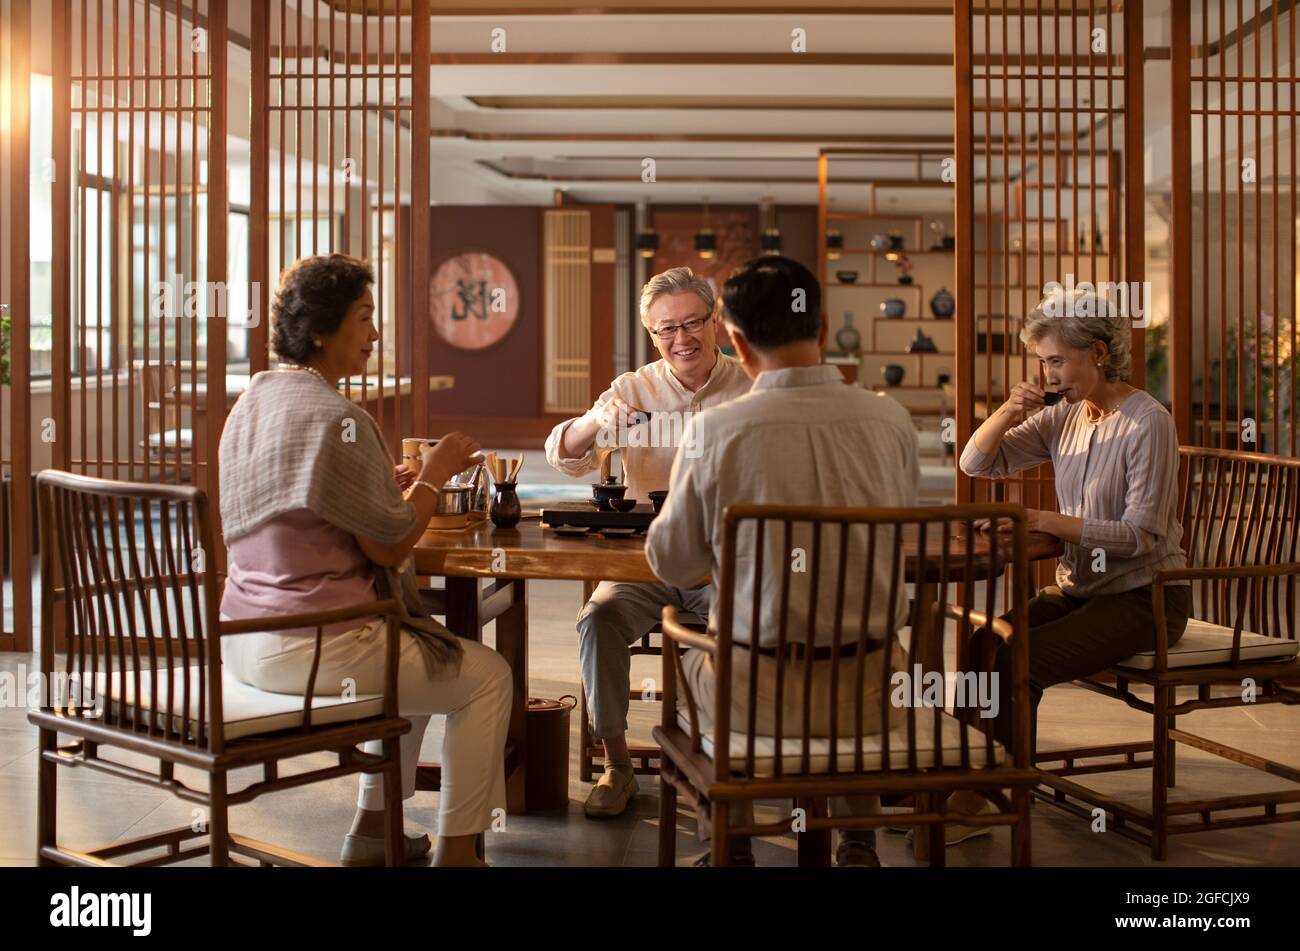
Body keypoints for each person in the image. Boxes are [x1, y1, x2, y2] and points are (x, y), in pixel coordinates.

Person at [219, 254, 512, 867]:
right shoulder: (338, 416)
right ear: (322, 329)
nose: (375, 335)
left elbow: (306, 504)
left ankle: (375, 830)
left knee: (418, 661)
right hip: (316, 648)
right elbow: (391, 543)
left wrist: (384, 480)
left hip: (245, 640)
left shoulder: (252, 402)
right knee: (485, 677)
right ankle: (459, 853)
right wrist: (435, 470)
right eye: (364, 318)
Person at [646, 255, 920, 866]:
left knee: (699, 648)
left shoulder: (716, 431)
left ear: (735, 343)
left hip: (755, 695)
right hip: (870, 692)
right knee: (846, 638)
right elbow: (898, 525)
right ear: (822, 331)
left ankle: (733, 846)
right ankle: (857, 839)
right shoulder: (892, 421)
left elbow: (674, 563)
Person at [955, 286, 1190, 839]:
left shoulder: (1147, 422)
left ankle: (999, 795)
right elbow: (975, 462)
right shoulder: (1066, 417)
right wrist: (1009, 410)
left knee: (1023, 658)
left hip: (1145, 597)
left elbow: (1141, 534)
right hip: (1080, 590)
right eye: (1042, 361)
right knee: (981, 642)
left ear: (1100, 353)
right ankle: (968, 784)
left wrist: (1043, 520)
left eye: (1056, 360)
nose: (1047, 373)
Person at [545, 266, 752, 818]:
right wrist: (596, 421)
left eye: (692, 323)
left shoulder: (749, 387)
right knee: (599, 619)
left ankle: (719, 761)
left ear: (716, 323)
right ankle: (617, 765)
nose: (681, 339)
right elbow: (562, 456)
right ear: (651, 334)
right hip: (644, 564)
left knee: (746, 631)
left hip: (724, 568)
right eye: (666, 329)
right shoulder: (632, 389)